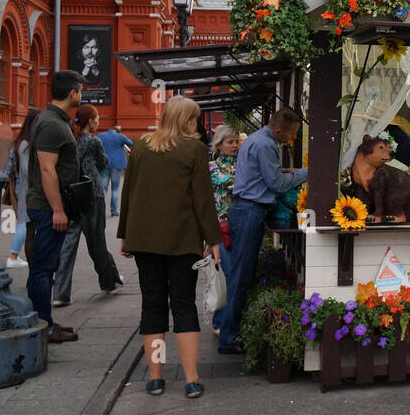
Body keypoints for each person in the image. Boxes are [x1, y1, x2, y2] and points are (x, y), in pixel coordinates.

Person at [118, 96, 221, 397]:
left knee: (152, 306)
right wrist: (212, 239)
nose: (197, 124)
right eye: (195, 119)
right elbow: (202, 199)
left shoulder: (141, 146)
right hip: (182, 240)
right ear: (187, 120)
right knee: (183, 305)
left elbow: (129, 193)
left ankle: (155, 377)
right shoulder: (194, 149)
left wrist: (126, 234)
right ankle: (190, 378)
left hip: (144, 240)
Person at [220, 107, 307, 354]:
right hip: (250, 211)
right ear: (278, 130)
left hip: (246, 209)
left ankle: (229, 332)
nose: (292, 139)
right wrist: (307, 173)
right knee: (241, 276)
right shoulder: (266, 145)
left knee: (241, 274)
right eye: (292, 134)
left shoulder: (257, 138)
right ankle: (228, 337)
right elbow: (277, 183)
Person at [25, 70, 84, 344]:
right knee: (42, 266)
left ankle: (46, 320)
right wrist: (58, 210)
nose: (81, 95)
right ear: (72, 93)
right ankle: (43, 325)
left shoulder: (53, 120)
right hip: (49, 208)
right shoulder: (51, 123)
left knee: (47, 266)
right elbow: (48, 171)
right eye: (80, 91)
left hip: (51, 206)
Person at [52, 104, 122, 307]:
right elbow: (103, 163)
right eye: (97, 118)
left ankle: (61, 294)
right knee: (96, 241)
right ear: (90, 121)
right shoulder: (94, 142)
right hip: (92, 196)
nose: (99, 121)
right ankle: (108, 281)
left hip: (71, 196)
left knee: (68, 244)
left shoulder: (69, 140)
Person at [208, 125, 241, 334]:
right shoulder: (212, 168)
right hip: (220, 228)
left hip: (239, 225)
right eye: (230, 142)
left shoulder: (241, 164)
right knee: (228, 275)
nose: (235, 146)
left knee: (237, 276)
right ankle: (221, 323)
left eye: (237, 141)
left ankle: (226, 322)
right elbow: (227, 182)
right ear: (219, 146)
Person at [4, 109, 38, 269]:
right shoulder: (27, 144)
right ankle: (14, 257)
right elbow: (27, 170)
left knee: (26, 225)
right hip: (29, 191)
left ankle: (16, 257)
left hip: (20, 189)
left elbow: (8, 170)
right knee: (27, 227)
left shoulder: (17, 143)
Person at [98, 124, 134, 217]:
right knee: (115, 189)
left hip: (104, 164)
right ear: (118, 131)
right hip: (116, 166)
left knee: (103, 188)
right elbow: (131, 143)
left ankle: (99, 210)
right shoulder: (120, 137)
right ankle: (114, 211)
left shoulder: (101, 136)